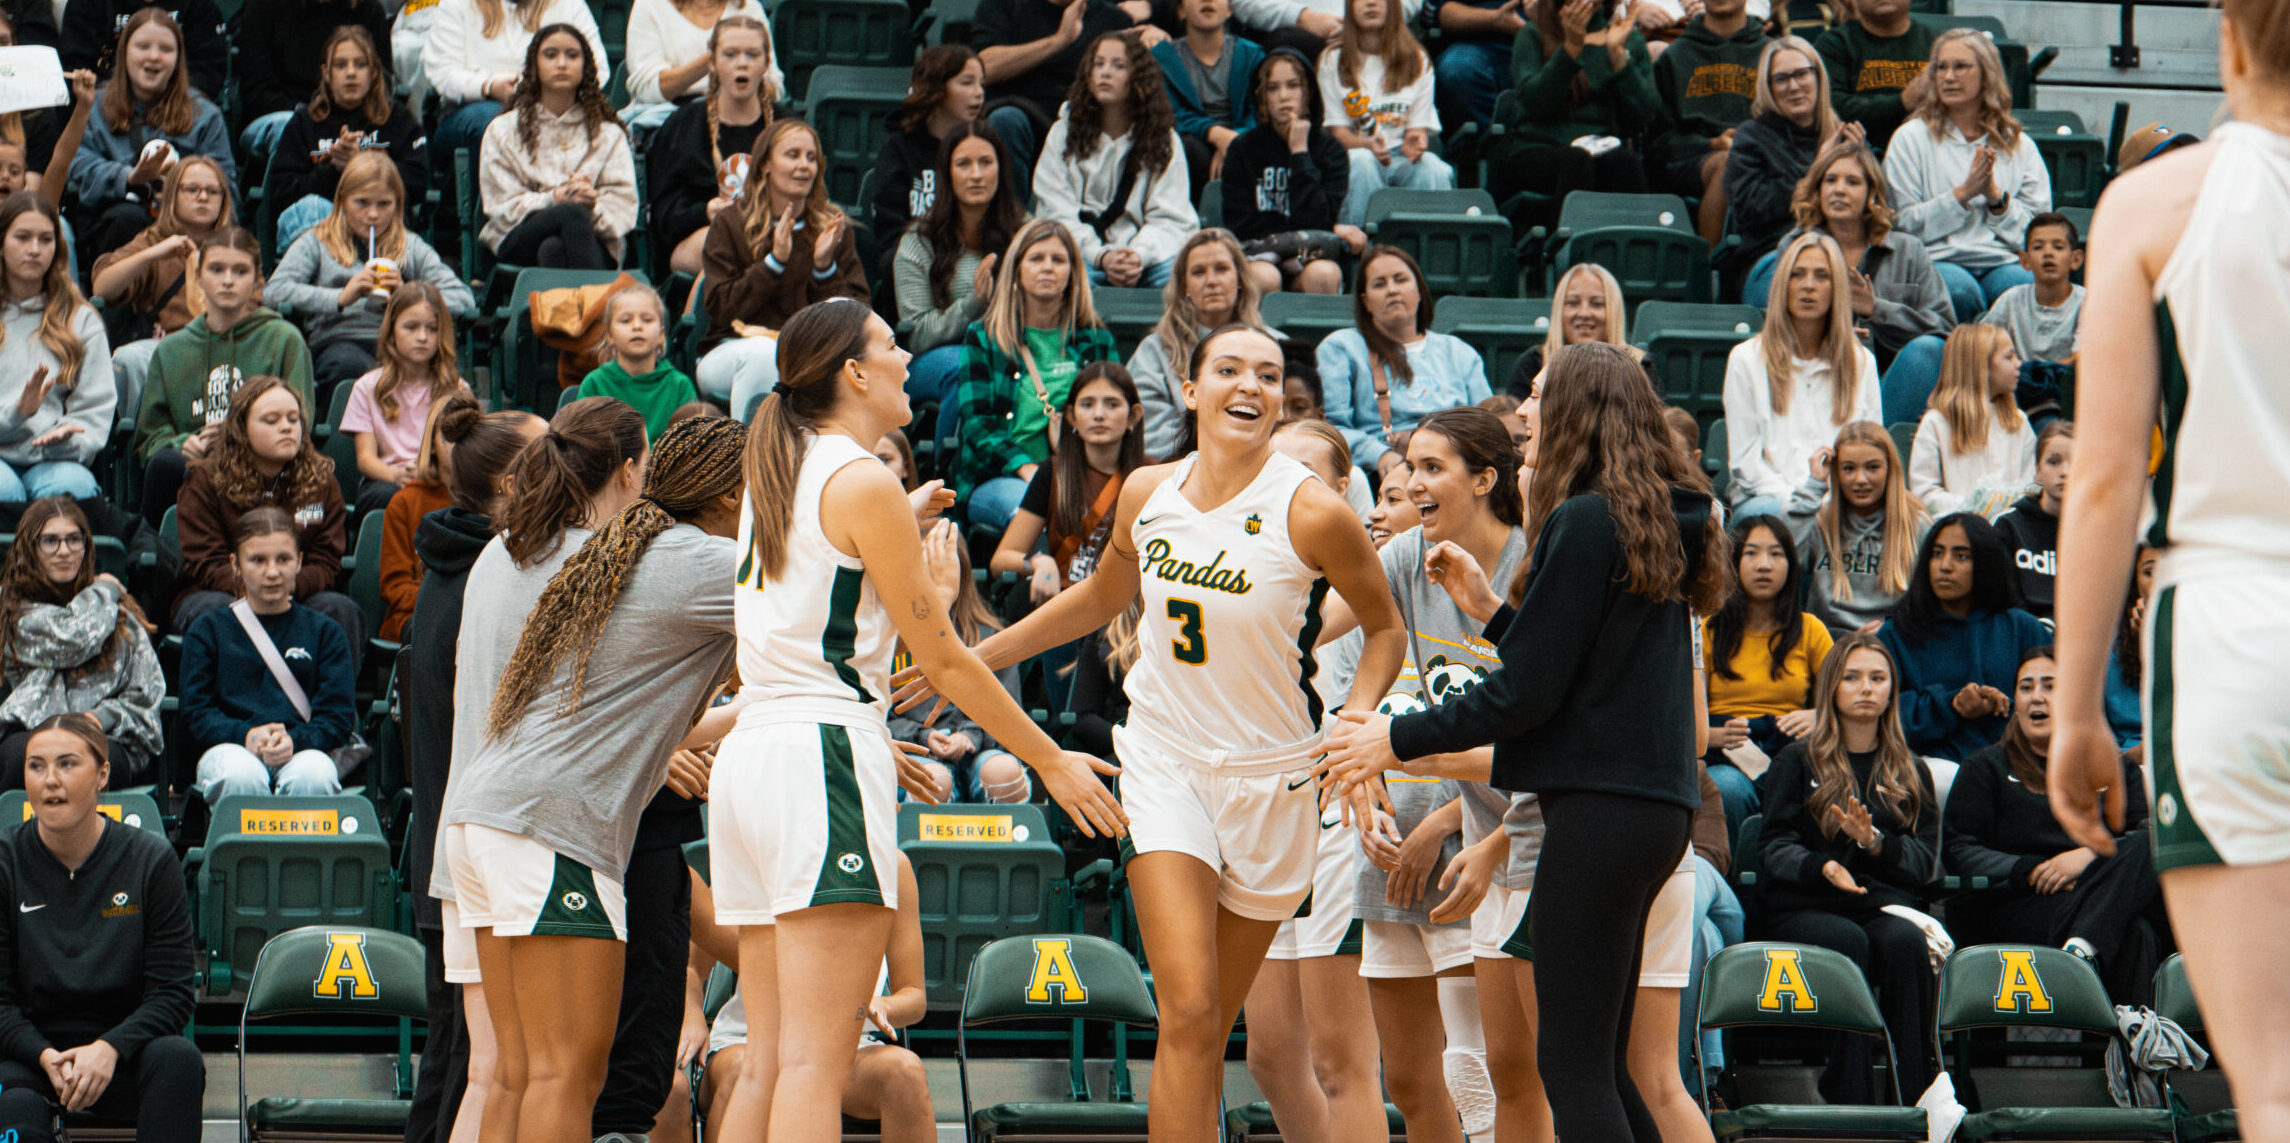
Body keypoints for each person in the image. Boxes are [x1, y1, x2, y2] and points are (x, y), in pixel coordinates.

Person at [903, 321, 1404, 1143]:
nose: (1251, 385)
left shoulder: (1312, 510)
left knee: (1209, 1024)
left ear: (1281, 398)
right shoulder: (1147, 492)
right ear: (1192, 389)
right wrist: (973, 656)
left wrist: (1357, 717)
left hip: (1273, 776)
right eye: (1231, 369)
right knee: (1190, 1005)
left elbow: (1384, 630)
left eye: (1269, 374)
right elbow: (1101, 598)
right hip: (1165, 759)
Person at [707, 299, 1121, 1143]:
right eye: (893, 346)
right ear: (853, 373)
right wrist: (1051, 759)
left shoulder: (778, 472)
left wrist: (906, 522)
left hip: (753, 754)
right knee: (816, 1064)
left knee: (770, 1054)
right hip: (821, 751)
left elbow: (828, 587)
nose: (909, 358)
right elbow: (944, 658)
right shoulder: (863, 482)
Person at [1319, 342, 1727, 1141]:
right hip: (1654, 810)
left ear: (1576, 407)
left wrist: (1392, 738)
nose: (1526, 410)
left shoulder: (1581, 519)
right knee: (1605, 1065)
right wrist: (1493, 611)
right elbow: (1585, 675)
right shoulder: (1648, 516)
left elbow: (1524, 698)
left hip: (1599, 814)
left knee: (1570, 1069)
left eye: (1539, 394)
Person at [2050, 10, 2290, 1124]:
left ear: (2227, 26)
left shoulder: (2156, 200)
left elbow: (2102, 480)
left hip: (2232, 623)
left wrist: (2074, 710)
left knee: (2273, 1081)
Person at [434, 402, 738, 1143]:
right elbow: (819, 593)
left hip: (474, 822)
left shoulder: (504, 550)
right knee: (567, 1075)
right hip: (550, 826)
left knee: (512, 1070)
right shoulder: (668, 558)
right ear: (632, 469)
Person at [1309, 408, 1539, 1143]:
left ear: (1486, 478)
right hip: (1457, 828)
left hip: (1527, 829)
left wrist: (1393, 753)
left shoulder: (1532, 564)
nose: (1411, 483)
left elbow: (1556, 738)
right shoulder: (1410, 554)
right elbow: (1319, 623)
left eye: (1432, 469)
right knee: (1432, 1074)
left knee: (1497, 1070)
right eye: (1409, 470)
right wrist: (1357, 760)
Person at [397, 397, 546, 1143]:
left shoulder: (457, 564)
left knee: (463, 1064)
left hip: (453, 841)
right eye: (548, 450)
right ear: (513, 483)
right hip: (468, 846)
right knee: (469, 1069)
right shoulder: (483, 577)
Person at [1240, 419, 1386, 1143]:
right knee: (1268, 1053)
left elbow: (1298, 629)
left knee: (1340, 1060)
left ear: (1339, 490)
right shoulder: (1240, 562)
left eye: (1303, 471)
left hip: (1337, 816)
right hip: (1264, 815)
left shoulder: (1363, 566)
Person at [1756, 633, 1940, 1103]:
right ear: (1831, 688)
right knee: (1847, 941)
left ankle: (1919, 1097)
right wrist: (1823, 867)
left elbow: (1924, 864)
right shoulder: (1796, 760)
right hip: (1807, 905)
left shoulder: (1910, 768)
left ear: (1891, 690)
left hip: (1883, 908)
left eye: (1878, 678)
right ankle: (1850, 1090)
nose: (1866, 688)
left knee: (1903, 945)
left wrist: (1874, 843)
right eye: (1852, 677)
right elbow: (1775, 846)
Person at [0, 713, 201, 1143]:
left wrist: (110, 1048)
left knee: (177, 1059)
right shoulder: (5, 861)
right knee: (12, 1103)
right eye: (36, 766)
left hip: (123, 1052)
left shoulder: (151, 860)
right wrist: (43, 1055)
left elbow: (173, 991)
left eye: (68, 764)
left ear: (103, 774)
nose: (50, 780)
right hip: (28, 1056)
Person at [1945, 647, 2168, 1003]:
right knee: (2133, 930)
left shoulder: (2109, 766)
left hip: (2096, 893)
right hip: (2021, 903)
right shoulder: (1984, 767)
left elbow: (2147, 837)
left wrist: (2089, 857)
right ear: (2015, 699)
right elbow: (1959, 851)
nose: (2037, 697)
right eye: (2026, 687)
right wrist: (2030, 869)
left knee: (2152, 844)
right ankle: (2134, 1048)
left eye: (2050, 686)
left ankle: (2084, 949)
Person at [700, 853, 934, 1143]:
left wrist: (882, 1005)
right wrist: (690, 1017)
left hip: (847, 1044)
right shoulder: (759, 849)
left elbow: (914, 997)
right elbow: (690, 964)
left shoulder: (891, 864)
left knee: (905, 1073)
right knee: (745, 1069)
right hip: (748, 1038)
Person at [1740, 142, 1954, 424]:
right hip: (1817, 378)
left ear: (1872, 194)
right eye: (1830, 180)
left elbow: (1945, 330)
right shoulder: (1796, 247)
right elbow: (1776, 324)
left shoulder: (1908, 250)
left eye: (1852, 181)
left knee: (1928, 350)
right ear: (1818, 190)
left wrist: (1876, 310)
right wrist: (1831, 330)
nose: (1839, 189)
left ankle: (1874, 449)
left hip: (1890, 383)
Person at [133, 227, 314, 526]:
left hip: (262, 469)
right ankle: (158, 564)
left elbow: (299, 427)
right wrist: (184, 443)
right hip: (190, 468)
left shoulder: (284, 339)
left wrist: (243, 441)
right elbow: (149, 438)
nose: (228, 280)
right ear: (199, 277)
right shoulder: (170, 350)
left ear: (258, 280)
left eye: (240, 271)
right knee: (164, 464)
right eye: (217, 269)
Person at [180, 507, 357, 802]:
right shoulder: (207, 629)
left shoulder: (326, 632)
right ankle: (239, 850)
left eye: (283, 559)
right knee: (239, 775)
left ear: (299, 561)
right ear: (235, 564)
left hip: (301, 748)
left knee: (314, 776)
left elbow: (337, 717)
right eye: (258, 560)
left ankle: (302, 851)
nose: (272, 572)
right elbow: (196, 712)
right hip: (231, 747)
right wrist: (245, 736)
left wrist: (295, 740)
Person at [950, 218, 1116, 532]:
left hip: (1080, 474)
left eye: (1058, 259)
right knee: (1040, 509)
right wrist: (1026, 469)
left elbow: (1113, 412)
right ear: (1017, 269)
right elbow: (977, 424)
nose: (1048, 267)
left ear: (1072, 272)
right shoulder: (985, 337)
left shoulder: (1096, 339)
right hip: (1003, 477)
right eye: (1036, 258)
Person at [696, 119, 868, 421]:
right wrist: (773, 263)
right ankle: (752, 462)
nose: (804, 165)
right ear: (765, 164)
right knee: (763, 353)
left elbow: (858, 316)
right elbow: (721, 309)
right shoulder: (731, 223)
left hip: (808, 357)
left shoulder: (833, 227)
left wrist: (824, 269)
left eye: (811, 157)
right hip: (731, 351)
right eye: (793, 155)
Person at [172, 377, 362, 644]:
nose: (286, 428)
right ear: (241, 428)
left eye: (293, 419)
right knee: (211, 610)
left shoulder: (320, 481)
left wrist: (286, 587)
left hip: (297, 592)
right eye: (271, 421)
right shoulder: (206, 479)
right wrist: (256, 589)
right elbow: (205, 562)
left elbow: (325, 560)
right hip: (224, 592)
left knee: (339, 610)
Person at [270, 152, 475, 391]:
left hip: (399, 344)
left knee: (432, 371)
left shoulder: (409, 245)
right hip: (339, 342)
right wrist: (339, 297)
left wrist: (408, 297)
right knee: (352, 367)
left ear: (397, 203)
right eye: (362, 203)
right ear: (343, 201)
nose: (373, 214)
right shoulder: (317, 241)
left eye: (384, 204)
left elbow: (463, 299)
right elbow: (274, 291)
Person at [1882, 28, 2049, 321]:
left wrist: (1997, 201)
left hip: (2003, 261)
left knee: (2021, 287)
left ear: (1986, 74)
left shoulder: (2019, 145)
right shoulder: (1910, 138)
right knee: (1958, 291)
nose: (1948, 77)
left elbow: (2039, 235)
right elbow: (1901, 225)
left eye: (1960, 67)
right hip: (1936, 261)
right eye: (1941, 67)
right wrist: (1963, 194)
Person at [0, 500, 161, 787]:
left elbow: (145, 696)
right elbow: (74, 637)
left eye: (74, 540)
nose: (64, 551)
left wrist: (102, 717)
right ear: (30, 547)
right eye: (50, 541)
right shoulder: (10, 611)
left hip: (106, 736)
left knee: (94, 756)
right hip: (29, 732)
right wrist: (104, 590)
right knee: (20, 756)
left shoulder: (121, 615)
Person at [1723, 231, 1882, 517]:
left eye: (1822, 276)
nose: (1808, 285)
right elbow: (1746, 465)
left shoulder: (1862, 362)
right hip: (1767, 502)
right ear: (1783, 284)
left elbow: (1868, 451)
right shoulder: (1745, 359)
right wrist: (1804, 503)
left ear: (1837, 288)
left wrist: (1830, 505)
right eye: (1797, 275)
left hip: (1840, 504)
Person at [1875, 511, 2048, 760]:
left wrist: (1999, 706)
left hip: (2016, 766)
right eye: (1936, 553)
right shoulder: (1897, 633)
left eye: (1961, 556)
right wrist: (1951, 705)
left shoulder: (2022, 628)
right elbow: (1880, 713)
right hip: (1928, 770)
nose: (1945, 566)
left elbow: (2056, 702)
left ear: (1985, 563)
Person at [67, 8, 234, 261]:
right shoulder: (94, 106)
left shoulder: (205, 115)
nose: (154, 56)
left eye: (165, 49)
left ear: (178, 58)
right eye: (143, 46)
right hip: (117, 224)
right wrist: (129, 177)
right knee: (127, 219)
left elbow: (226, 185)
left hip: (187, 229)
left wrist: (182, 193)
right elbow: (76, 163)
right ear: (124, 53)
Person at [1033, 31, 1197, 290]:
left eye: (1118, 65)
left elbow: (1171, 218)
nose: (1105, 73)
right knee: (1060, 275)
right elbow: (1055, 212)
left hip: (1142, 260)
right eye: (1098, 64)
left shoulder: (1164, 140)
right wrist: (1100, 255)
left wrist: (1137, 255)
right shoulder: (1063, 133)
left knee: (1181, 279)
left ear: (1138, 78)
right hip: (1079, 256)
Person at [1703, 513, 1832, 837]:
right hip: (1728, 754)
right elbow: (1680, 714)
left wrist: (1820, 715)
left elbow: (1844, 698)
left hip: (1792, 751)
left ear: (1791, 563)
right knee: (1727, 788)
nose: (1764, 565)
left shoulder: (1810, 630)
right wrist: (1711, 736)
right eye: (1751, 553)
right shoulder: (1707, 629)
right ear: (1732, 561)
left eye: (1776, 554)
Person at [1318, 245, 1491, 480]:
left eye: (1400, 280)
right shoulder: (1341, 347)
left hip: (1456, 467)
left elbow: (1488, 424)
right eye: (1379, 284)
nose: (1392, 290)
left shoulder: (1458, 351)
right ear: (1366, 301)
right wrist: (1379, 455)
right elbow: (1330, 430)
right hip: (1381, 473)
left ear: (1419, 291)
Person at [476, 24, 636, 271]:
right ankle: (595, 306)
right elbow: (500, 207)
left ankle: (558, 310)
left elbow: (622, 207)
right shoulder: (503, 130)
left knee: (553, 248)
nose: (562, 63)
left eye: (572, 55)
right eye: (551, 55)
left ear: (585, 66)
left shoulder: (609, 134)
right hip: (519, 241)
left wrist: (591, 206)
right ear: (534, 65)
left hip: (593, 241)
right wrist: (554, 199)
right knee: (570, 213)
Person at [892, 122, 1025, 420]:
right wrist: (974, 303)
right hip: (936, 359)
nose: (976, 174)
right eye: (964, 164)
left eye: (986, 163)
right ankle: (952, 464)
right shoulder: (919, 241)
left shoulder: (1025, 236)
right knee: (967, 366)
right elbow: (918, 336)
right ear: (947, 174)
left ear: (1001, 170)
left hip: (1010, 351)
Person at [1485, 0, 1657, 228]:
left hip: (1601, 147)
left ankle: (1639, 251)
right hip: (1537, 148)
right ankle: (1564, 251)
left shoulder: (1625, 38)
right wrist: (1570, 50)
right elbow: (1535, 104)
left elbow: (1646, 115)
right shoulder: (1533, 33)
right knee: (1576, 160)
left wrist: (1618, 58)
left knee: (1625, 163)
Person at [265, 26, 430, 254]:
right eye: (341, 65)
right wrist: (333, 169)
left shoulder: (398, 119)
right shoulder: (303, 122)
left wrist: (363, 166)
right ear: (326, 72)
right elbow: (281, 195)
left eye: (360, 64)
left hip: (378, 231)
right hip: (317, 234)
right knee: (311, 209)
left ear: (373, 72)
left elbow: (419, 182)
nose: (351, 73)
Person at [89, 154, 230, 416]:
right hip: (164, 348)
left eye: (212, 191)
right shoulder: (153, 241)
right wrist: (153, 255)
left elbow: (255, 309)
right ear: (172, 195)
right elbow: (102, 288)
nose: (203, 197)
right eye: (192, 189)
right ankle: (134, 444)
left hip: (223, 348)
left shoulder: (235, 247)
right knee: (129, 359)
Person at [992, 361, 1145, 601]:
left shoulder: (1152, 475)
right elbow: (1001, 560)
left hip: (1126, 609)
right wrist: (1039, 563)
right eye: (1087, 404)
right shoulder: (1052, 473)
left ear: (1133, 415)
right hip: (1064, 605)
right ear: (1072, 416)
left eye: (1112, 404)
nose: (1098, 414)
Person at [0, 192, 112, 509]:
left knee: (72, 488)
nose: (35, 249)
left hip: (53, 456)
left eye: (45, 239)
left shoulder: (81, 318)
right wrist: (17, 414)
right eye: (22, 237)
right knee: (4, 493)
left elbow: (94, 409)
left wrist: (67, 437)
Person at [644, 15, 775, 279]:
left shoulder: (786, 126)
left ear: (766, 62)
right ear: (712, 62)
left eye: (752, 54)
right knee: (727, 242)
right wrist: (706, 211)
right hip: (698, 238)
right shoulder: (683, 126)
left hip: (774, 235)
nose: (742, 63)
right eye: (730, 54)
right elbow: (663, 216)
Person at [1219, 48, 1357, 297]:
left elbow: (1321, 219)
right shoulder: (1243, 149)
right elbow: (1240, 223)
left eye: (1293, 85)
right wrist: (1297, 233)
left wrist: (1299, 153)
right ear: (1261, 96)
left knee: (1324, 274)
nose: (1283, 96)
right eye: (1273, 88)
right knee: (1264, 276)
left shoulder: (1330, 150)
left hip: (1311, 257)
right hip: (1259, 255)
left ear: (1308, 92)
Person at [973, 0, 1166, 178]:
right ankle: (1013, 213)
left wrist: (1150, 35)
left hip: (1080, 120)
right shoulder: (1004, 5)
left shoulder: (1112, 18)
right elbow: (985, 69)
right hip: (1019, 113)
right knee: (1007, 120)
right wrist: (1059, 40)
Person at [419, 0, 604, 182]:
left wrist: (543, 91)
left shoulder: (569, 5)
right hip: (471, 110)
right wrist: (488, 86)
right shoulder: (457, 4)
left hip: (551, 106)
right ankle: (495, 208)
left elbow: (597, 70)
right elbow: (443, 73)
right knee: (498, 123)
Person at [1132, 229, 1274, 458]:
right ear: (1184, 286)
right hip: (1180, 476)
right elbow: (1151, 435)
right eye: (1198, 272)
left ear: (1239, 279)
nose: (1211, 281)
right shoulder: (1154, 351)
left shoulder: (1274, 347)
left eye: (1222, 269)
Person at [336, 282, 472, 515]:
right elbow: (366, 458)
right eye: (411, 327)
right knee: (384, 496)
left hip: (440, 478)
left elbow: (463, 453)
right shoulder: (367, 387)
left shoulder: (456, 388)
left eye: (432, 328)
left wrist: (432, 473)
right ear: (391, 331)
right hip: (388, 478)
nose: (422, 337)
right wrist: (395, 475)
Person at [1784, 421, 1927, 636]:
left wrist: (1892, 630)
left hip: (1890, 642)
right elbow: (1783, 558)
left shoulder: (1916, 525)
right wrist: (1814, 486)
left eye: (1872, 467)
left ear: (1890, 469)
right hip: (1827, 643)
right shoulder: (1819, 520)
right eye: (1849, 468)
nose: (1860, 479)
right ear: (1836, 471)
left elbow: (1930, 604)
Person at [1724, 36, 1851, 276]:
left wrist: (1862, 163)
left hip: (1840, 253)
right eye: (1781, 79)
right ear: (1768, 87)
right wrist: (1817, 168)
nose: (1793, 87)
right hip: (1771, 257)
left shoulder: (1844, 137)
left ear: (1818, 76)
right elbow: (1752, 211)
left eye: (1801, 74)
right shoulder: (1751, 137)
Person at [1319, 0, 1452, 228]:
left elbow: (1417, 129)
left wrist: (1415, 141)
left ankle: (1428, 253)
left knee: (1433, 168)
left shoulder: (1417, 58)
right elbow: (1338, 134)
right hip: (1357, 154)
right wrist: (1367, 144)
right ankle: (1358, 251)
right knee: (1361, 162)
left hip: (1401, 157)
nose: (1371, 3)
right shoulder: (1333, 59)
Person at [1649, 0, 1766, 245]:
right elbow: (1659, 144)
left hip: (1763, 155)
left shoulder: (1771, 53)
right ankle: (1708, 269)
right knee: (1727, 163)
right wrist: (1712, 144)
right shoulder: (1675, 56)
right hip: (1694, 160)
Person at [231, 0, 393, 160]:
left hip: (350, 116)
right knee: (291, 129)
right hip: (281, 113)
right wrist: (311, 117)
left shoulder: (369, 11)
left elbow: (380, 85)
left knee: (389, 131)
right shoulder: (264, 7)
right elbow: (257, 91)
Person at [872, 47, 983, 276]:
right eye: (967, 83)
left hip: (971, 267)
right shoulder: (899, 150)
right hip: (914, 267)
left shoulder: (983, 147)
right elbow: (890, 236)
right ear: (937, 87)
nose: (979, 92)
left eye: (982, 83)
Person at [1908, 323, 2031, 519]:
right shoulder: (1936, 423)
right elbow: (1924, 492)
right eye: (2009, 357)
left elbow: (2029, 486)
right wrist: (1975, 506)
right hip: (1955, 530)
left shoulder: (2019, 422)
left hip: (2008, 533)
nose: (2018, 363)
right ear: (1981, 366)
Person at [375, 393, 464, 644]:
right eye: (449, 437)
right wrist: (452, 600)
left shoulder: (492, 501)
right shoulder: (405, 501)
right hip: (416, 616)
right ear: (432, 444)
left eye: (467, 436)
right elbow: (395, 588)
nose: (458, 445)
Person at [1153, 0, 1262, 201]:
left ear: (1230, 9)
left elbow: (1260, 112)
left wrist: (1233, 140)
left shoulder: (1252, 54)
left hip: (1244, 142)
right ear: (1181, 9)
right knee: (1187, 148)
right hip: (1191, 148)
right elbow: (1169, 113)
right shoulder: (1162, 58)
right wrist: (1215, 133)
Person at [1503, 261, 1655, 399]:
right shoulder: (1533, 365)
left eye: (1597, 304)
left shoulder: (1639, 365)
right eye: (1573, 303)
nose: (1583, 313)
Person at [618, 0, 769, 132]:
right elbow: (648, 89)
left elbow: (773, 86)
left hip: (739, 114)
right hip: (670, 119)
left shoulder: (750, 8)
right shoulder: (650, 4)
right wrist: (712, 59)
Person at [575, 286, 696, 442]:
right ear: (610, 336)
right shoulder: (594, 384)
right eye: (626, 320)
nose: (637, 326)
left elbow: (691, 445)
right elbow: (582, 444)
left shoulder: (680, 386)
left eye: (647, 319)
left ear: (660, 335)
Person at [1812, 0, 1930, 151]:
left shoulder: (1936, 43)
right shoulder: (1834, 44)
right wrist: (1901, 102)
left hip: (1926, 149)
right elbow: (1832, 106)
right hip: (1857, 153)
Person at [1978, 211, 2084, 365]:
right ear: (2024, 260)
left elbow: (2081, 360)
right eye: (2038, 247)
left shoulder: (2086, 304)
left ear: (2076, 259)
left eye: (2058, 247)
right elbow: (1981, 345)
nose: (2048, 253)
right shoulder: (2011, 299)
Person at [60, 0, 226, 95]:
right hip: (104, 110)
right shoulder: (88, 4)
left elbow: (207, 74)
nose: (153, 56)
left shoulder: (199, 6)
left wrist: (168, 105)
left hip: (177, 110)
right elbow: (76, 67)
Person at [1993, 419, 2069, 620]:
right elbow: (2000, 603)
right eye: (2053, 462)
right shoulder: (2008, 525)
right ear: (2037, 471)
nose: (2065, 472)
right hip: (2024, 637)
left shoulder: (2098, 534)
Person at [1427, 0, 1526, 136]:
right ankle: (1485, 146)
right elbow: (1443, 12)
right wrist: (1496, 19)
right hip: (1476, 43)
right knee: (1457, 69)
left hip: (1545, 39)